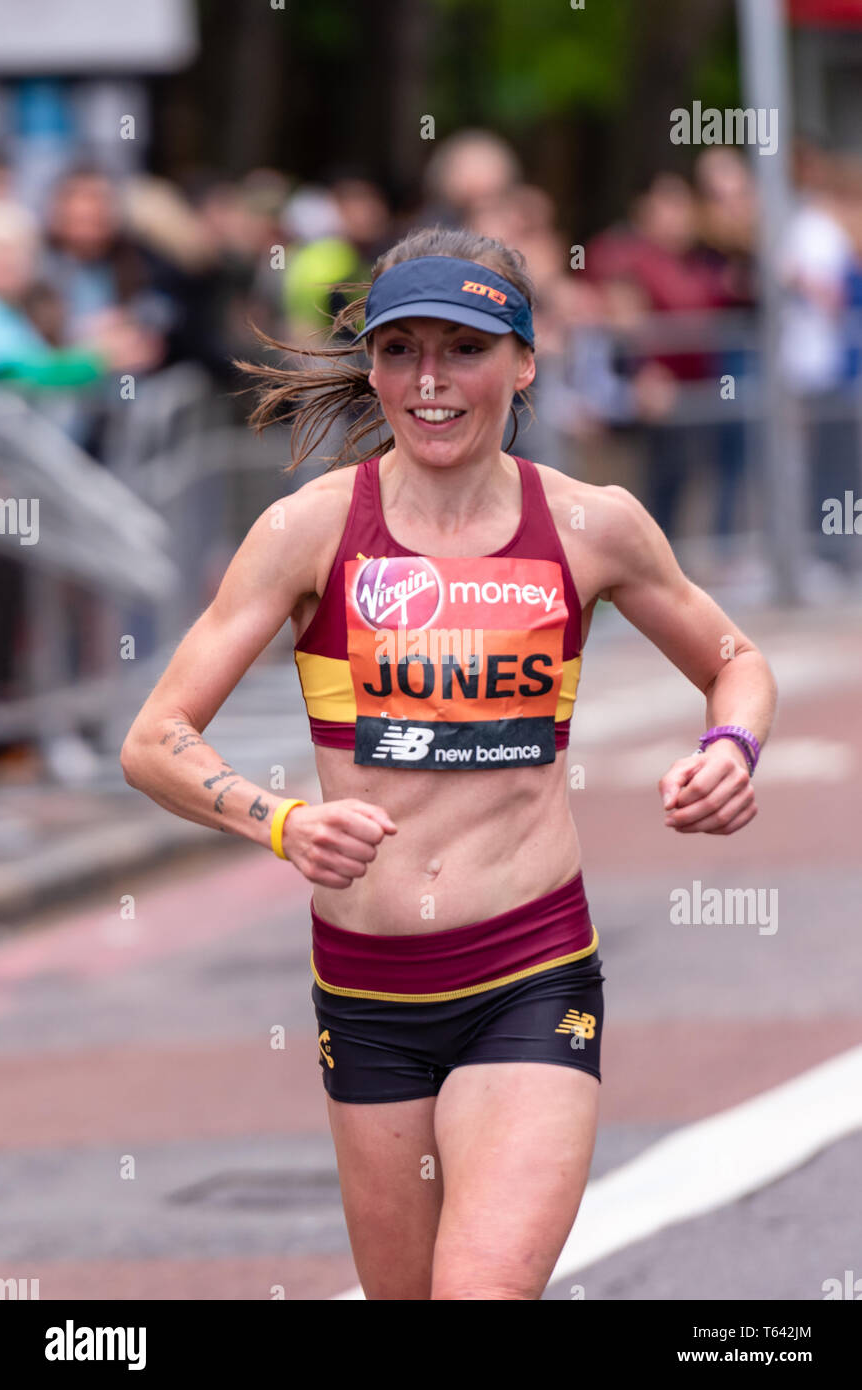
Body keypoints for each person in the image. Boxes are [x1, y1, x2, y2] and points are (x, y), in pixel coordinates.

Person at [120, 225, 777, 1301]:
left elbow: (735, 661)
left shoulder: (589, 524)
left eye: (464, 349)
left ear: (522, 363)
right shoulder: (309, 533)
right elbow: (155, 739)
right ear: (374, 365)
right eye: (402, 350)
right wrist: (280, 823)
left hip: (530, 972)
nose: (431, 381)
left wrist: (731, 747)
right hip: (367, 996)